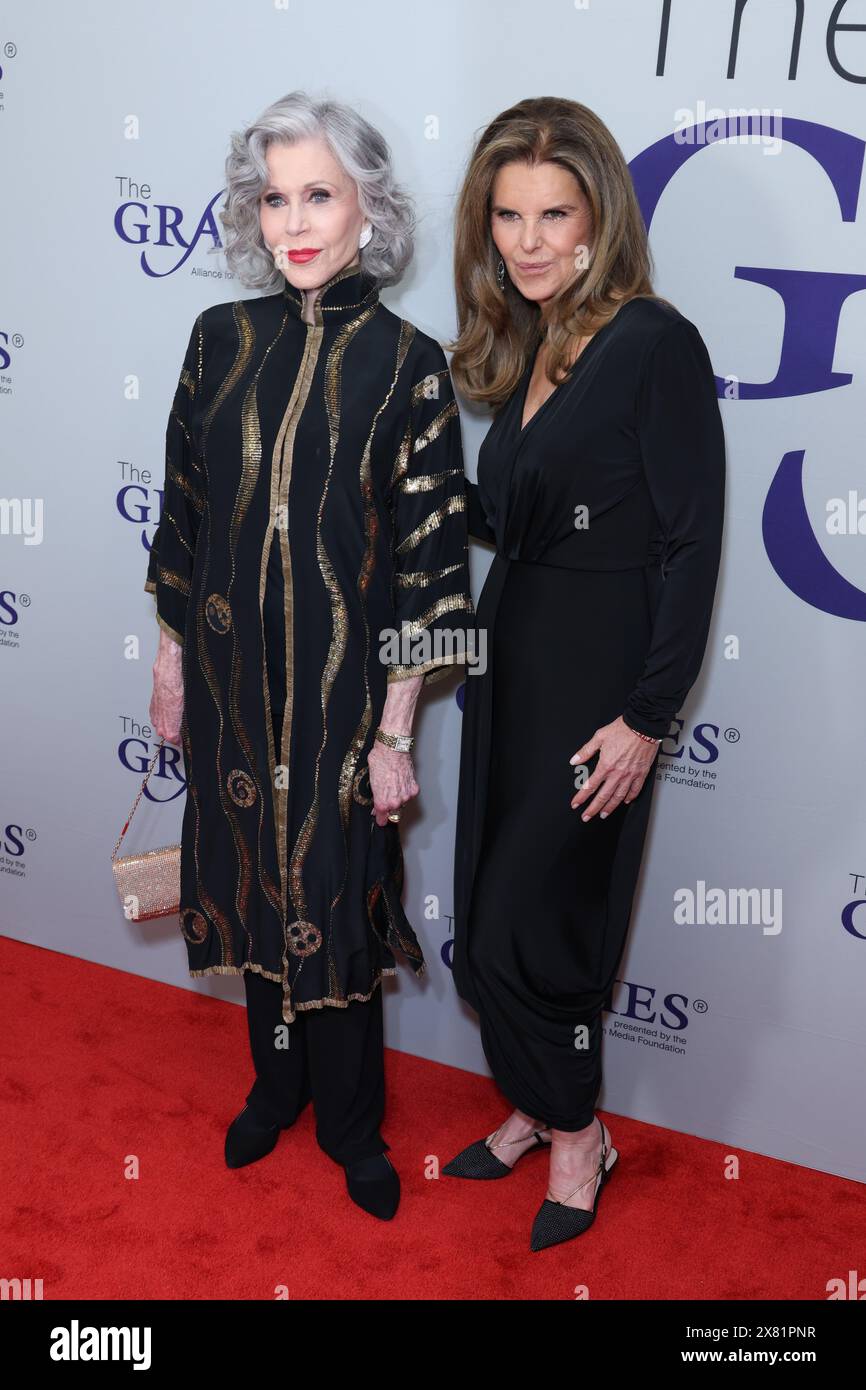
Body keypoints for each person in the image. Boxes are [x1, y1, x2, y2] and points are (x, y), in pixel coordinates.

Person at [145, 91, 473, 1220]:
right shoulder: (218, 341)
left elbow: (435, 574)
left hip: (341, 707)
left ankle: (350, 1124)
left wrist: (393, 733)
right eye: (274, 195)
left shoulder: (409, 366)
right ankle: (270, 1087)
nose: (294, 220)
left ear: (367, 208)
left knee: (332, 901)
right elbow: (182, 515)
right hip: (234, 687)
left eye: (318, 194)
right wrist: (171, 661)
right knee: (248, 884)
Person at [443, 96, 726, 1250]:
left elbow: (688, 541)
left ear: (599, 215)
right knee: (484, 915)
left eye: (553, 213)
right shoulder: (534, 344)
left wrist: (647, 716)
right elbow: (512, 520)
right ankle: (534, 1103)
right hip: (508, 673)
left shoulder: (652, 343)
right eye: (507, 216)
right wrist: (408, 473)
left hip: (597, 688)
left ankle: (576, 1138)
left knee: (537, 925)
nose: (528, 241)